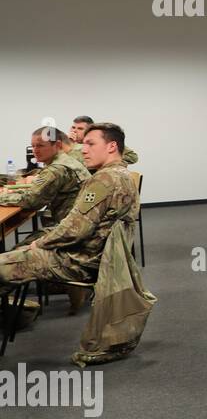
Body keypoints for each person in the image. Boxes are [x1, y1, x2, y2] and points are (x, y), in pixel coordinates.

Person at [0, 123, 140, 361]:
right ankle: (16, 315)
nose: (83, 149)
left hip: (78, 260)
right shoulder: (122, 174)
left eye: (90, 144)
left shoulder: (103, 181)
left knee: (6, 263)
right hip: (98, 256)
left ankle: (18, 315)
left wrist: (40, 244)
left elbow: (73, 231)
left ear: (112, 146)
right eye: (83, 143)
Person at [0, 126, 91, 225]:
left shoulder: (55, 170)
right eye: (33, 146)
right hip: (80, 221)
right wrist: (13, 192)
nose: (35, 150)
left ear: (57, 145)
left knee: (27, 240)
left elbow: (31, 201)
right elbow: (37, 191)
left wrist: (3, 197)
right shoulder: (65, 160)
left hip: (71, 226)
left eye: (40, 146)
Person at [68, 115, 139, 168]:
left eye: (80, 129)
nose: (74, 131)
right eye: (73, 127)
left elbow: (133, 157)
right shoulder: (69, 143)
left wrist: (104, 157)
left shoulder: (102, 141)